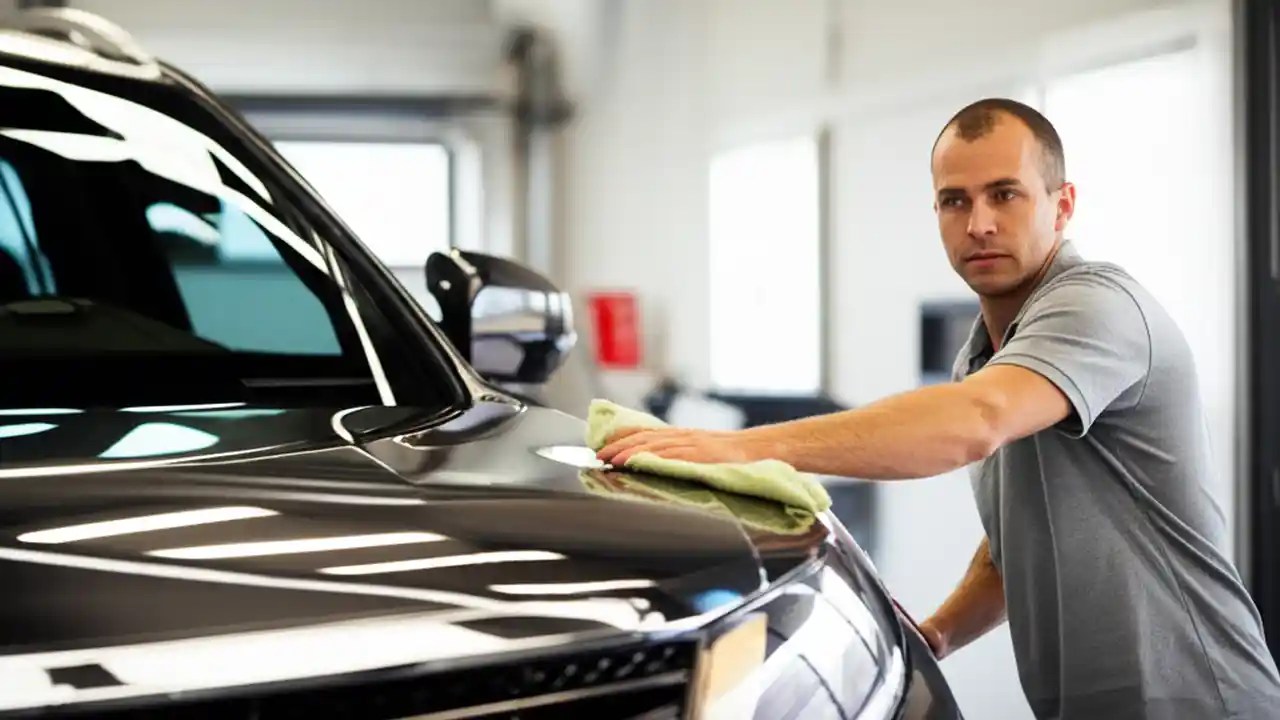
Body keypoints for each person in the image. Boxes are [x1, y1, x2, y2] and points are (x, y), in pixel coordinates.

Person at [597, 98, 1280, 719]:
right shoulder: (985, 356)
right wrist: (941, 631)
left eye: (1004, 194)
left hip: (1205, 699)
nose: (979, 223)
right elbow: (1016, 539)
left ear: (1062, 205)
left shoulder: (1097, 307)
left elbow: (971, 423)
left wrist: (738, 448)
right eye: (955, 201)